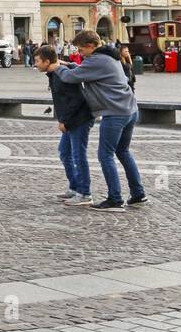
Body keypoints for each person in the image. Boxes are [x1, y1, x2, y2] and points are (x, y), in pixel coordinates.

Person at [48, 31, 147, 211]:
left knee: (105, 155)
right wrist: (67, 63)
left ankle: (115, 199)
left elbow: (71, 76)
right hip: (130, 109)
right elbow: (83, 69)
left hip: (115, 113)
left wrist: (58, 68)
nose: (79, 53)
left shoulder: (96, 60)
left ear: (91, 46)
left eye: (81, 49)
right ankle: (138, 194)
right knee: (123, 151)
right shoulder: (110, 56)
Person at [35, 45, 94, 206]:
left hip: (79, 119)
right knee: (65, 153)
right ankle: (75, 187)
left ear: (47, 61)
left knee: (77, 155)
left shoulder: (61, 76)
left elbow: (75, 101)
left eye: (38, 61)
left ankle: (84, 193)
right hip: (73, 119)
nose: (36, 64)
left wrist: (64, 121)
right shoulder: (57, 72)